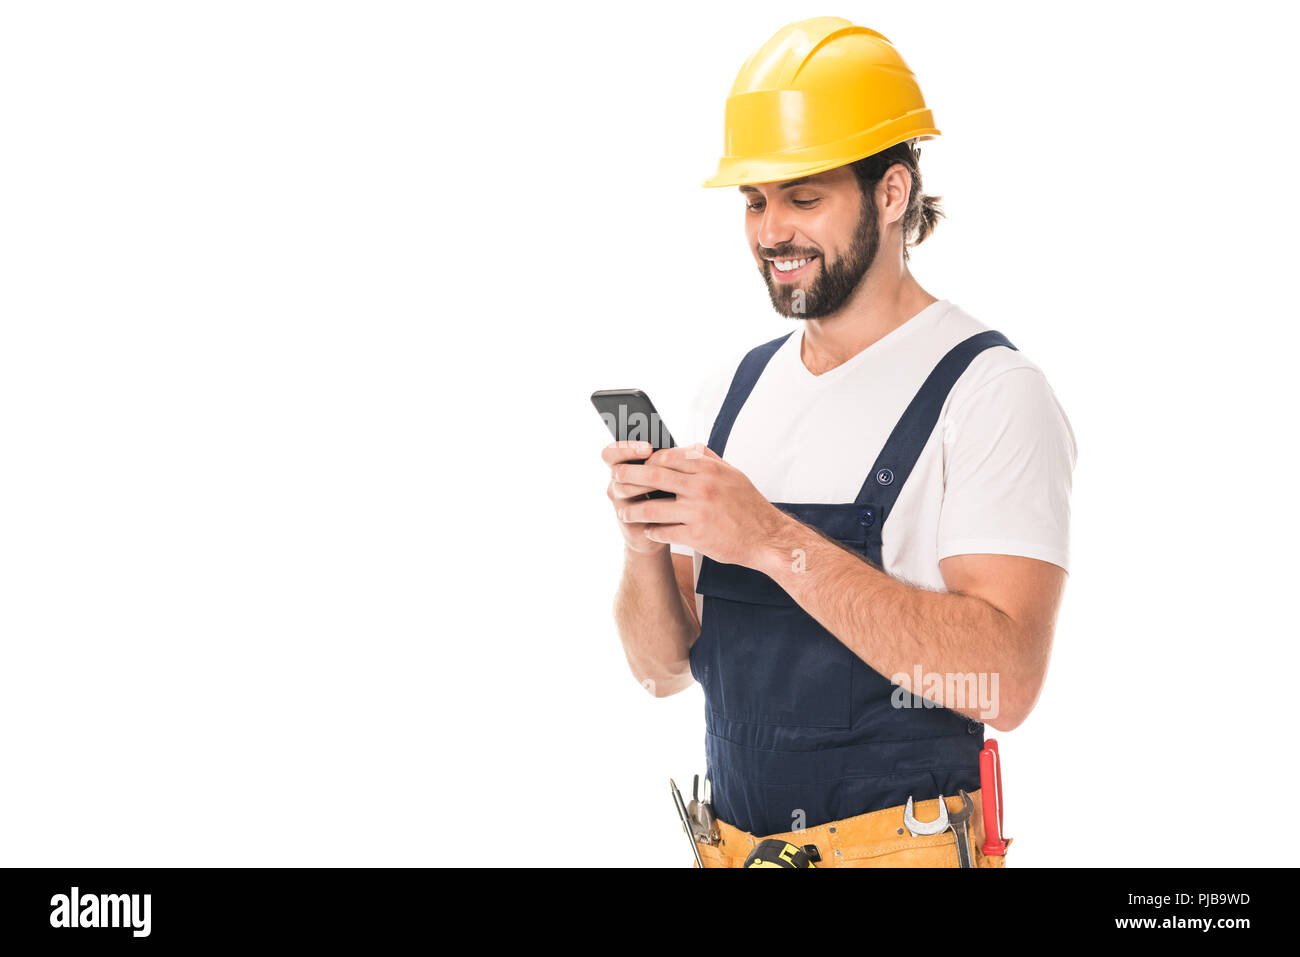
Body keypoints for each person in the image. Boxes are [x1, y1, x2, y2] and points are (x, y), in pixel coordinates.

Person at [600, 17, 1076, 867]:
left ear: (892, 194)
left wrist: (772, 540)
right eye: (754, 201)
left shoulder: (990, 393)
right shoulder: (733, 394)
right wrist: (644, 544)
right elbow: (662, 671)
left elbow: (1004, 685)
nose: (771, 231)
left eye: (804, 197)